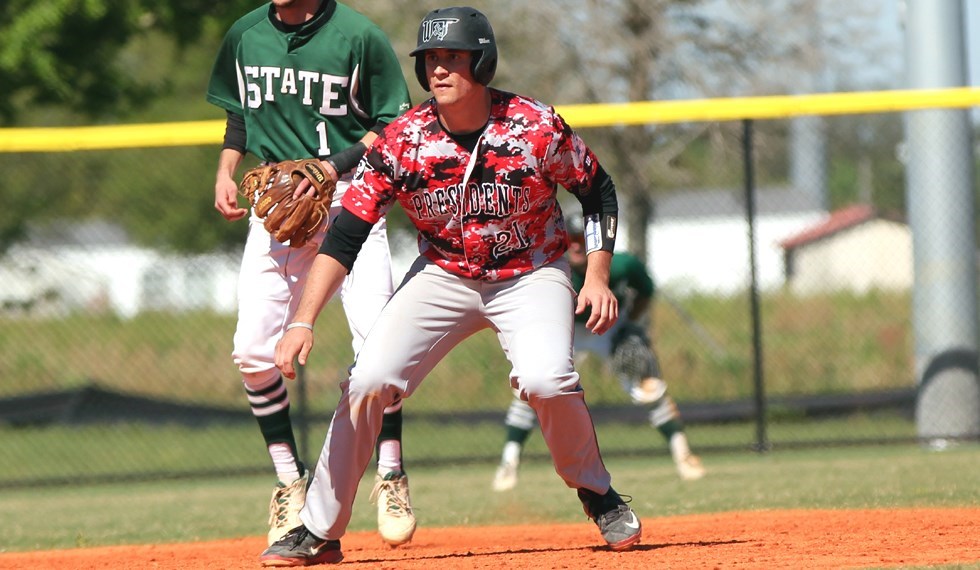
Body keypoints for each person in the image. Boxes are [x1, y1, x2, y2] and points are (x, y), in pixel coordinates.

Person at [261, 6, 643, 565]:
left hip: (531, 272)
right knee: (368, 379)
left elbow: (597, 191)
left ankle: (596, 491)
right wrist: (302, 320)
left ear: (483, 62)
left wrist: (599, 275)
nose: (438, 68)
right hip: (443, 274)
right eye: (430, 59)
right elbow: (345, 236)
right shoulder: (403, 140)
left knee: (546, 379)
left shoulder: (534, 126)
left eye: (453, 57)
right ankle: (319, 529)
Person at [205, 0, 416, 548]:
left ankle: (390, 471)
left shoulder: (358, 36)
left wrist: (332, 166)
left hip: (352, 197)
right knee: (252, 351)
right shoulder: (246, 34)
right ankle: (289, 482)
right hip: (278, 201)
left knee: (379, 347)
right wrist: (227, 168)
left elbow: (392, 126)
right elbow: (240, 113)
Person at [492, 215, 706, 492]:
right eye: (570, 239)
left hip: (608, 326)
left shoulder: (621, 265)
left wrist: (629, 324)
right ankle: (508, 463)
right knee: (530, 390)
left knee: (649, 388)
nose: (576, 245)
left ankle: (683, 456)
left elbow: (645, 290)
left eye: (582, 239)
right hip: (564, 330)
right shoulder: (550, 268)